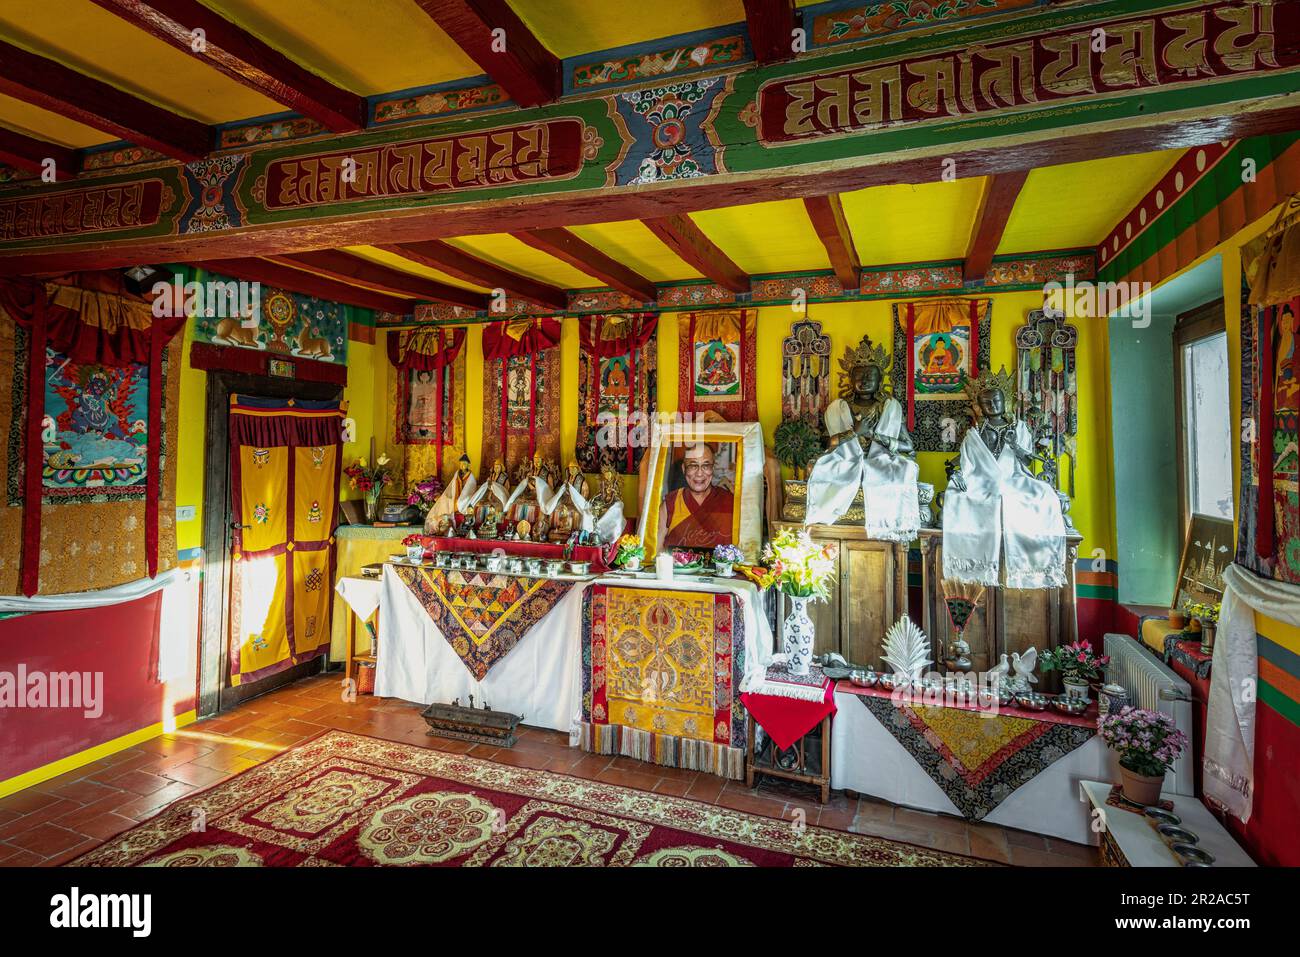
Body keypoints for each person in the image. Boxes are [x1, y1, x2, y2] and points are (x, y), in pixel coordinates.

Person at [941, 366, 1067, 589]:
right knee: (955, 497)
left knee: (1045, 496)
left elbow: (1027, 462)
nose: (993, 406)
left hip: (1013, 479)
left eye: (997, 401)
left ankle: (1033, 569)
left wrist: (1014, 445)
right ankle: (970, 569)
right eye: (987, 403)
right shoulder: (974, 434)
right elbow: (967, 464)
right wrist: (958, 475)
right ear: (979, 406)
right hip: (982, 481)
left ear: (1005, 401)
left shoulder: (1018, 428)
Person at [657, 442, 735, 550]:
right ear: (684, 469)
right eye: (693, 466)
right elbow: (656, 550)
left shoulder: (730, 502)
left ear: (712, 468)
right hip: (677, 567)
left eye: (706, 466)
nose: (699, 473)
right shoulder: (670, 505)